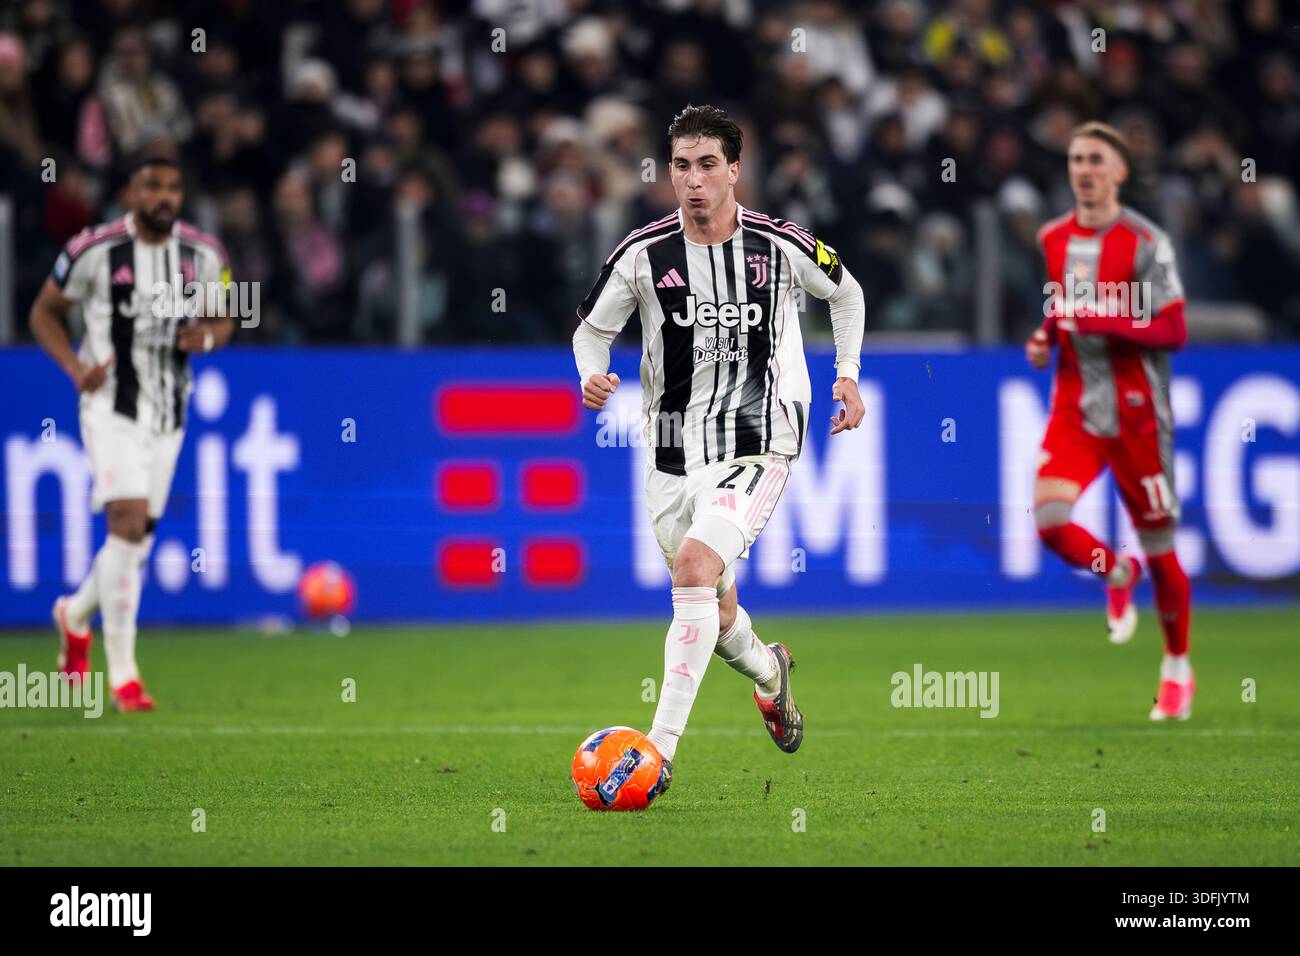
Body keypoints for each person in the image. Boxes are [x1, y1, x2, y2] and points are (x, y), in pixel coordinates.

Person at [572, 105, 866, 790]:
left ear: (735, 170)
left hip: (759, 442)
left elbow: (845, 293)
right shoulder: (642, 254)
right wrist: (590, 371)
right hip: (671, 454)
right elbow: (591, 330)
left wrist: (845, 376)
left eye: (708, 165)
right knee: (715, 604)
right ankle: (769, 673)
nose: (694, 180)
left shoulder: (778, 244)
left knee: (695, 571)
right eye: (681, 166)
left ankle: (657, 751)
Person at [29, 155, 235, 711]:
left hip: (170, 410)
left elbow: (229, 312)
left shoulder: (203, 254)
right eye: (153, 187)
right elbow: (43, 312)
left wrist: (209, 340)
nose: (165, 197)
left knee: (137, 538)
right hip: (111, 406)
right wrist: (75, 370)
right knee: (126, 521)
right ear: (130, 193)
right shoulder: (91, 250)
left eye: (173, 187)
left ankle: (74, 615)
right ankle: (124, 675)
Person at [1026, 121, 1194, 720]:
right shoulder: (1052, 238)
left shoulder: (1146, 242)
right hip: (1075, 407)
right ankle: (1115, 570)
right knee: (1048, 521)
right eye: (1076, 159)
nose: (1085, 169)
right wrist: (1046, 337)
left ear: (1119, 171)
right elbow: (1061, 310)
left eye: (1096, 159)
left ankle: (1176, 665)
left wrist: (1104, 321)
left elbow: (1174, 329)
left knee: (1164, 550)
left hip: (1137, 414)